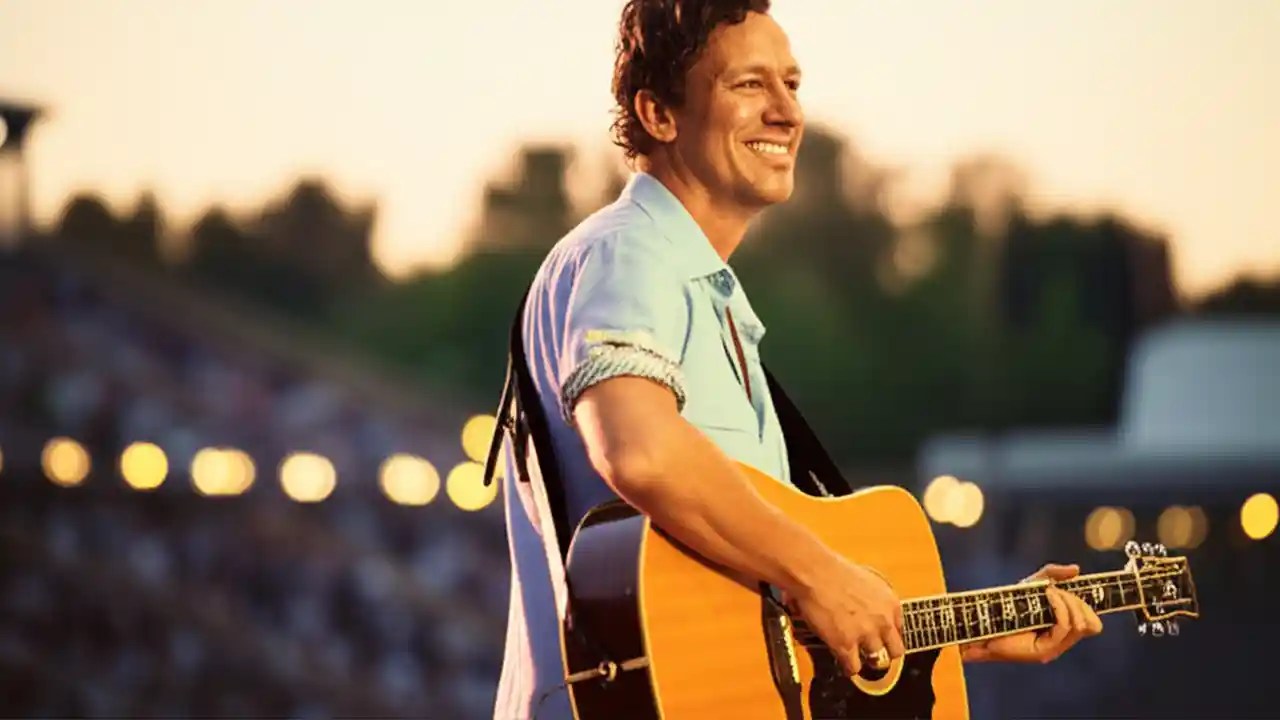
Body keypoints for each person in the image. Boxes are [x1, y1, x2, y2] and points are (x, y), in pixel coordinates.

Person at [492, 1, 1102, 718]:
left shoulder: (701, 293)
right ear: (658, 114)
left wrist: (953, 633)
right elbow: (641, 451)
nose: (787, 112)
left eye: (792, 83)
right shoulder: (629, 252)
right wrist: (823, 577)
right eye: (749, 85)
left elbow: (746, 615)